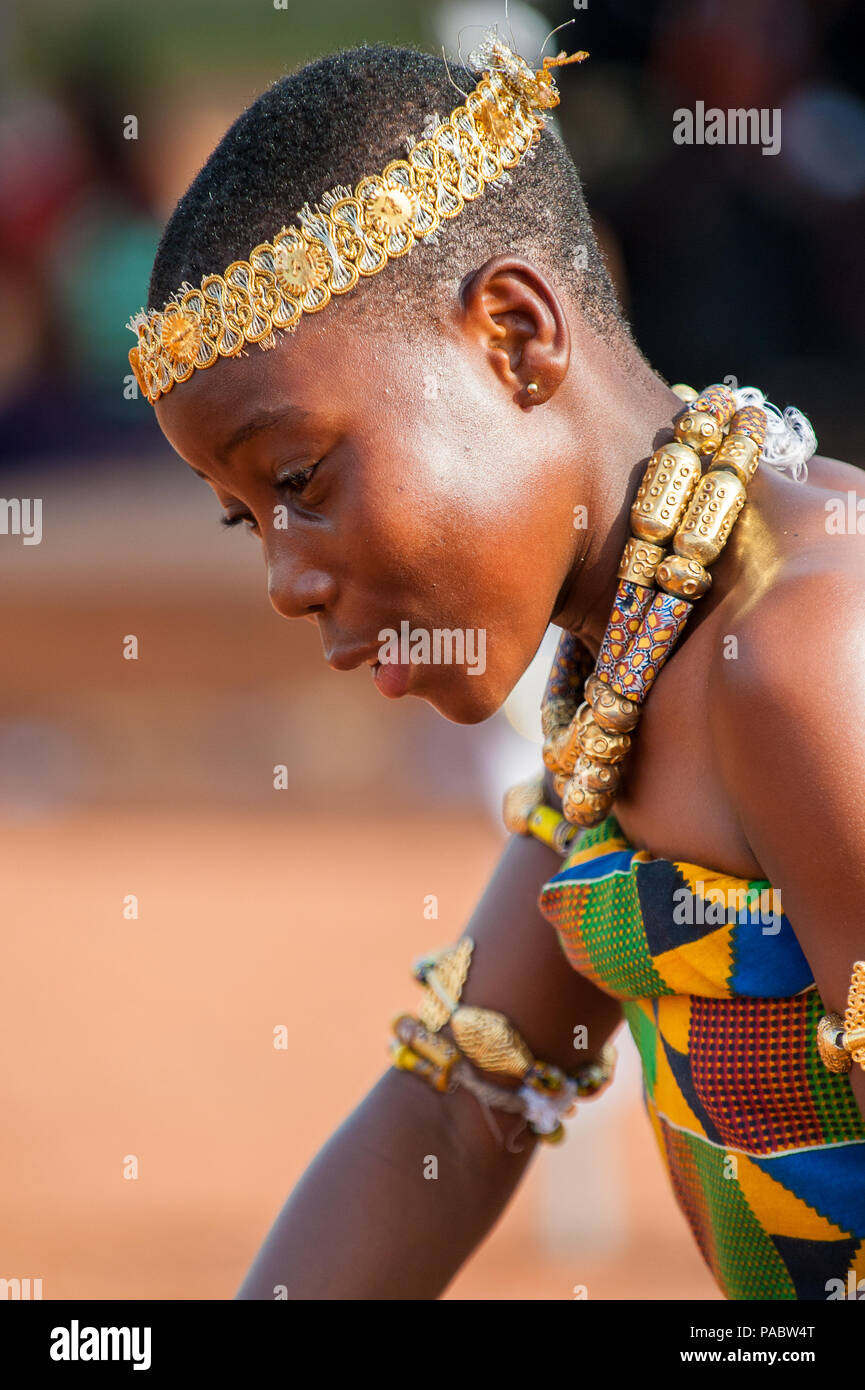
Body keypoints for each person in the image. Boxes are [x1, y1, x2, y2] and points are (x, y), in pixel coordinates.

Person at [127, 34, 865, 1301]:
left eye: (299, 480)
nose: (285, 580)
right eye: (247, 519)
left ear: (516, 337)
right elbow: (460, 1109)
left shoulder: (800, 652)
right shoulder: (629, 659)